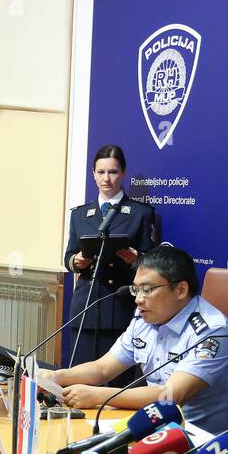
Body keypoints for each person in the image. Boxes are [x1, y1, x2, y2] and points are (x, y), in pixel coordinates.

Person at [45, 245, 228, 435]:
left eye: (147, 289)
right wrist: (56, 377)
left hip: (203, 441)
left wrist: (98, 396)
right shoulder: (145, 318)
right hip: (155, 425)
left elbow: (171, 396)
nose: (138, 299)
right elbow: (101, 369)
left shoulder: (212, 330)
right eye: (136, 289)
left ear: (181, 290)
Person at [62, 144, 159, 369]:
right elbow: (68, 257)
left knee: (114, 385)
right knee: (79, 377)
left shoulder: (141, 213)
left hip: (119, 306)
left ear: (123, 173)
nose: (107, 178)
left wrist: (136, 260)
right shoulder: (80, 214)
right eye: (101, 172)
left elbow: (153, 265)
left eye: (113, 172)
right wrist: (76, 261)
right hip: (85, 307)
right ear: (93, 174)